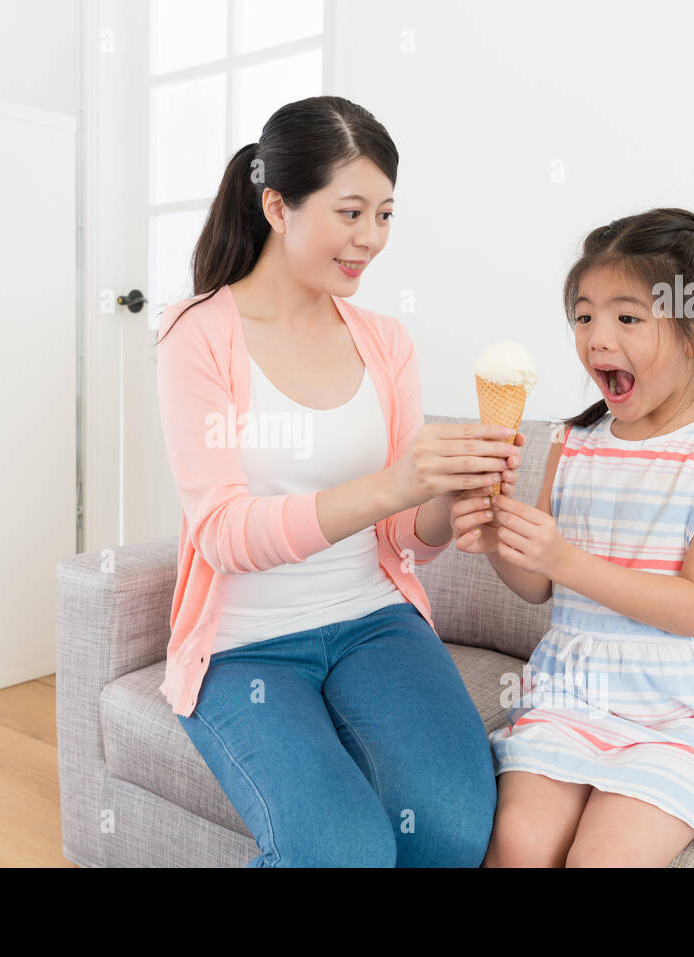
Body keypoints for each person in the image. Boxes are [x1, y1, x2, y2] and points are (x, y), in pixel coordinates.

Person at [154, 95, 522, 866]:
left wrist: (450, 497)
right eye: (351, 213)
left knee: (451, 831)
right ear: (277, 204)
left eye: (385, 215)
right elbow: (222, 533)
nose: (371, 240)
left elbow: (402, 539)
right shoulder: (199, 336)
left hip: (374, 622)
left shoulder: (385, 342)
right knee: (343, 851)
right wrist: (394, 483)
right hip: (245, 648)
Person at [452, 208, 694, 866]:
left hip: (682, 709)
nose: (597, 339)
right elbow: (538, 584)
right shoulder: (573, 440)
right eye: (584, 316)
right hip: (573, 695)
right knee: (518, 843)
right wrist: (495, 529)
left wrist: (565, 557)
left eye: (627, 317)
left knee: (601, 858)